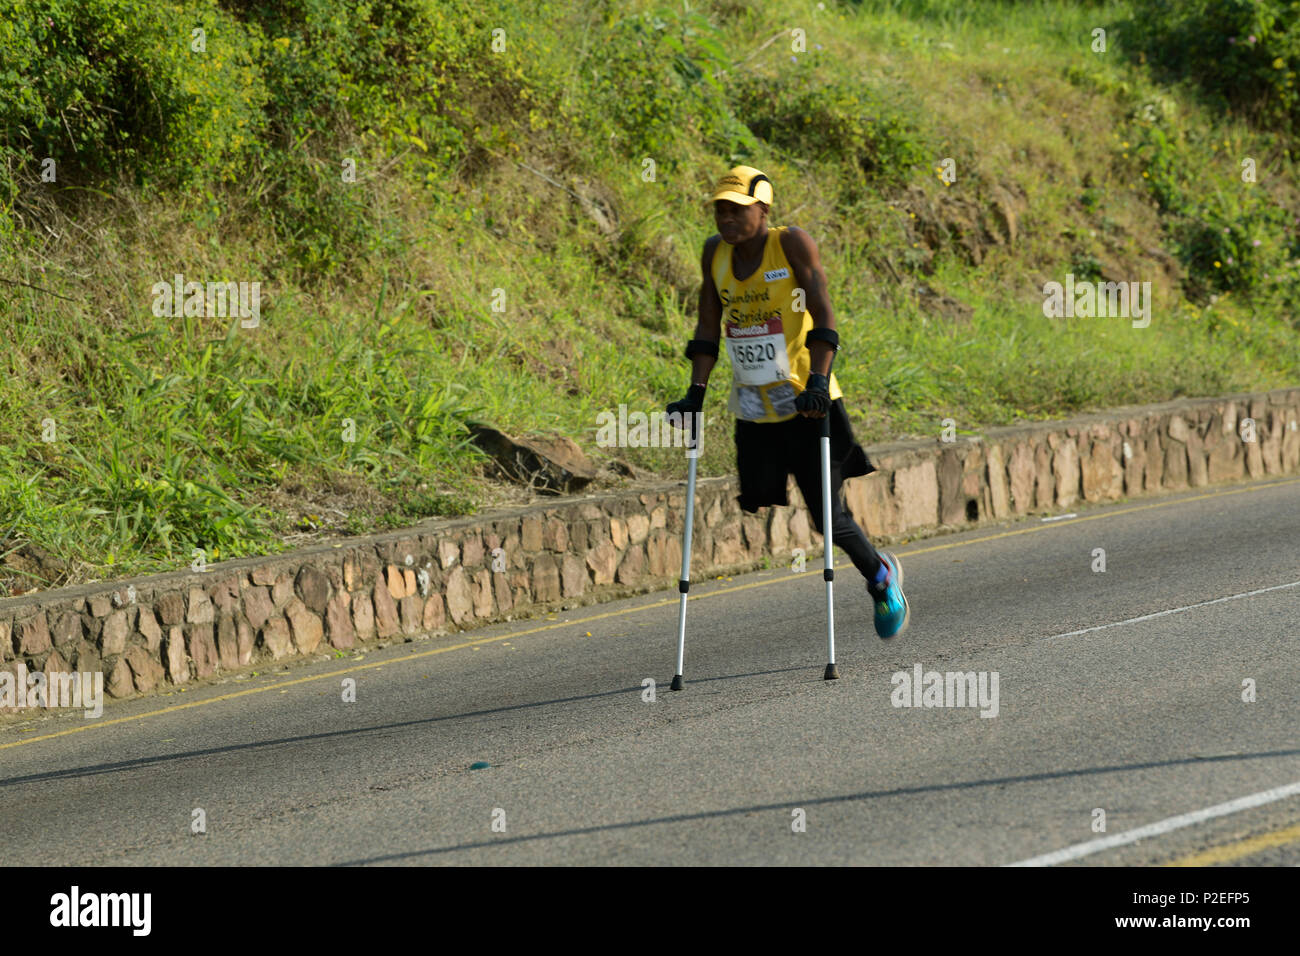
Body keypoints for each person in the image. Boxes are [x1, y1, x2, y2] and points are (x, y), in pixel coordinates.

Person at [665, 166, 909, 638]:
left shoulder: (791, 244)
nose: (726, 218)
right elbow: (707, 327)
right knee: (757, 496)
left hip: (808, 402)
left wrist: (819, 380)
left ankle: (881, 580)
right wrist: (695, 393)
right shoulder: (714, 253)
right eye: (720, 208)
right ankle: (878, 574)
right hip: (755, 408)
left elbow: (823, 312)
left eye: (737, 208)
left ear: (763, 208)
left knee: (826, 518)